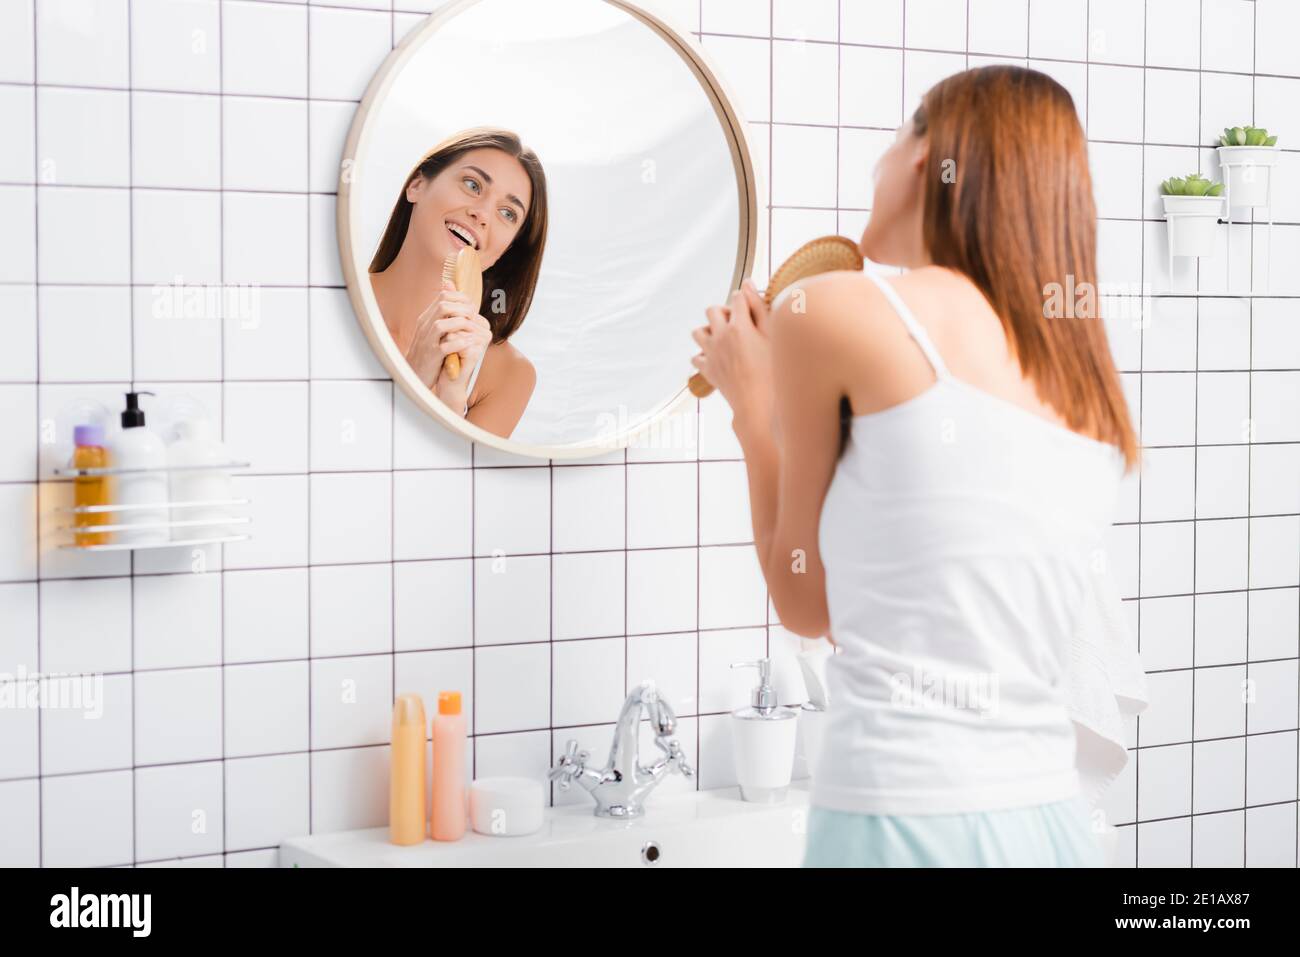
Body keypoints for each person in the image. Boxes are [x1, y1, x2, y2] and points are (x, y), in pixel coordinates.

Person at [691, 65, 1140, 867]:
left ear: (942, 161)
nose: (877, 162)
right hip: (1049, 821)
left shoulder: (830, 309)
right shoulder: (1082, 378)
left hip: (901, 816)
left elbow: (805, 599)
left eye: (901, 133)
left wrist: (750, 410)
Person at [370, 127, 548, 438]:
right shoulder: (330, 293)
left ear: (508, 250)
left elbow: (447, 484)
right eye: (472, 184)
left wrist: (450, 398)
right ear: (417, 184)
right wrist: (415, 376)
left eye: (507, 213)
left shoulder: (509, 376)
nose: (482, 214)